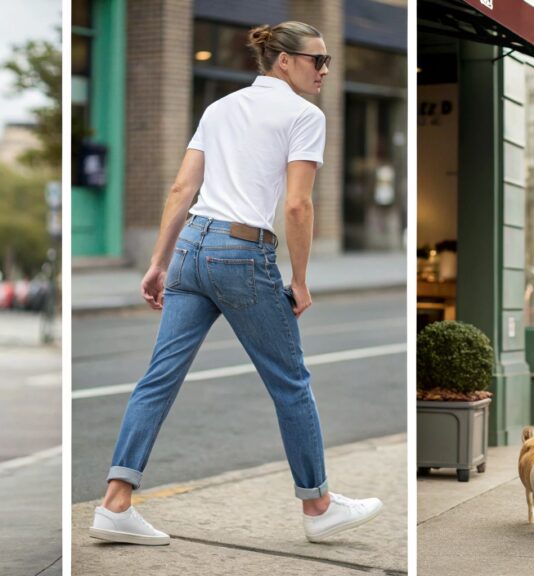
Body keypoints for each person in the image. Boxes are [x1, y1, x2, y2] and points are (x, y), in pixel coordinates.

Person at [89, 21, 383, 546]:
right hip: (241, 253)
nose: (325, 70)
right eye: (317, 60)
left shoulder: (219, 108)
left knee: (158, 379)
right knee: (291, 382)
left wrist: (159, 261)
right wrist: (300, 278)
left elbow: (182, 187)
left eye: (327, 61)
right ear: (284, 61)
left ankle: (115, 503)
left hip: (192, 248)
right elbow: (297, 204)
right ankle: (318, 506)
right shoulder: (304, 116)